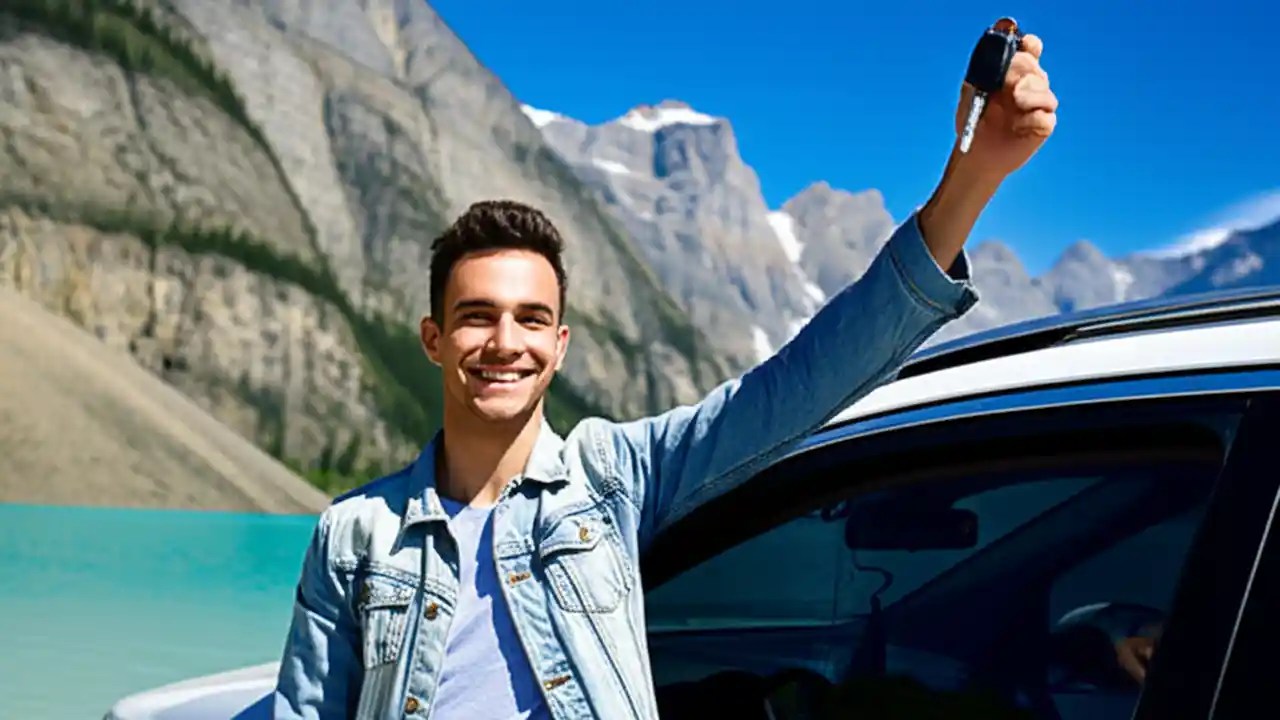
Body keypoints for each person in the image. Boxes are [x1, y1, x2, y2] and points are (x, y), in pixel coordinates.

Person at [272, 29, 1059, 720]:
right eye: (477, 316)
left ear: (562, 346)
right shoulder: (355, 536)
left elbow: (801, 386)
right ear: (434, 340)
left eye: (532, 318)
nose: (505, 340)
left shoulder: (615, 478)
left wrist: (975, 175)